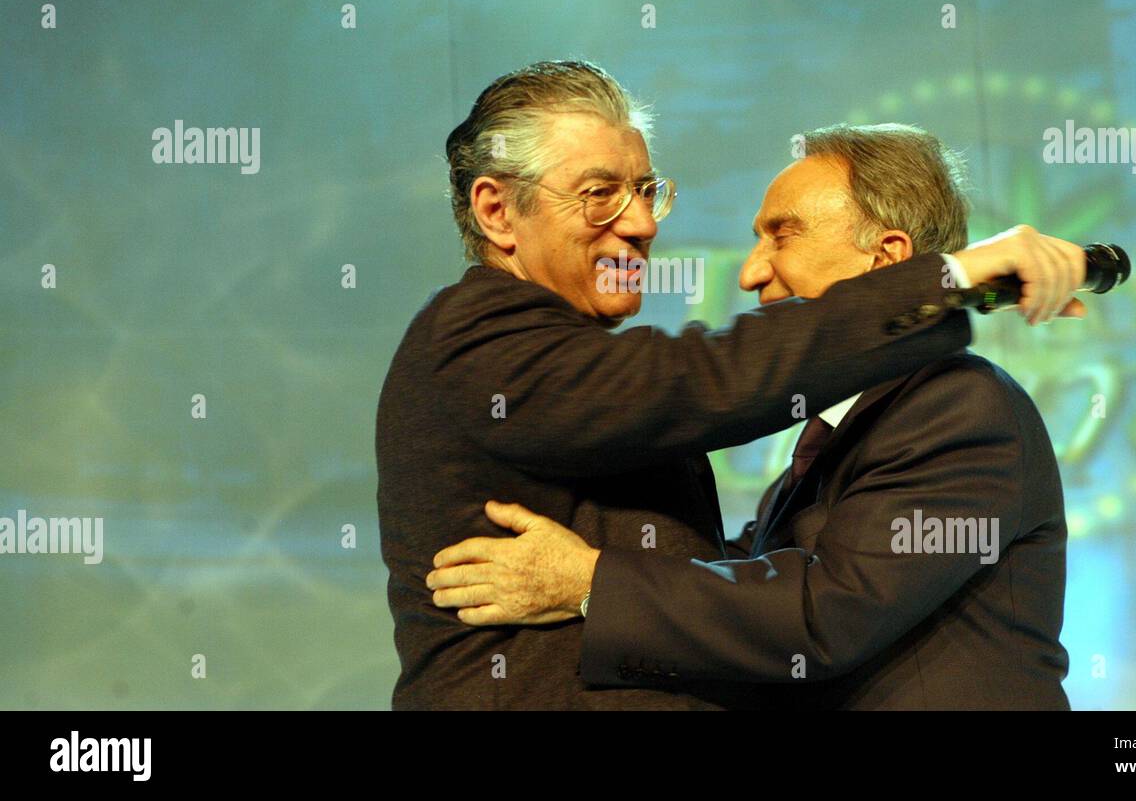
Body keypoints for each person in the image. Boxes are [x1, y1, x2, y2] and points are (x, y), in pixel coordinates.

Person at [378, 59, 1083, 709]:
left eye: (647, 191)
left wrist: (589, 580)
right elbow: (701, 380)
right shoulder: (477, 337)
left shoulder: (961, 408)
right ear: (498, 211)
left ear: (887, 260)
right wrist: (950, 279)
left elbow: (818, 610)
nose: (644, 222)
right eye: (600, 194)